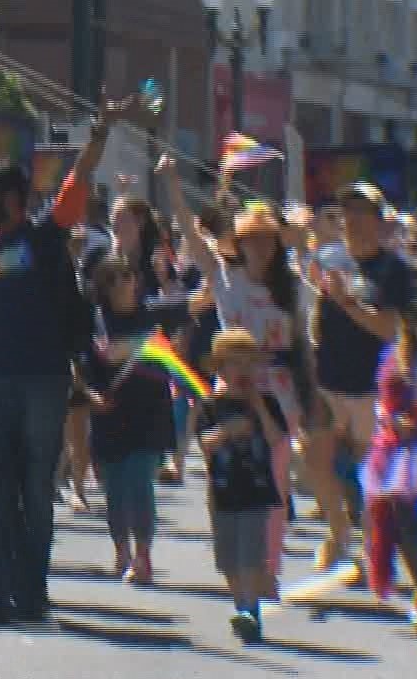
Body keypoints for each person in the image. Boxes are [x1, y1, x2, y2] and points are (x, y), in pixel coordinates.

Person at [0, 96, 130, 623]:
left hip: (42, 381)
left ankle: (31, 588)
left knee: (35, 487)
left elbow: (78, 180)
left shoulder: (46, 234)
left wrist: (100, 131)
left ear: (12, 198)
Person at [163, 161, 303, 585]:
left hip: (277, 398)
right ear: (240, 243)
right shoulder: (226, 279)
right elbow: (192, 236)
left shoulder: (292, 285)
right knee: (227, 483)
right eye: (251, 239)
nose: (259, 247)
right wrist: (171, 183)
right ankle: (236, 562)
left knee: (273, 488)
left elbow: (304, 347)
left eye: (267, 239)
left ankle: (267, 570)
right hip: (230, 398)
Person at [303, 183, 410, 573]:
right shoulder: (330, 258)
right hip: (328, 378)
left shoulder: (393, 269)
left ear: (379, 221)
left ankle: (369, 552)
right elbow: (316, 314)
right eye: (347, 211)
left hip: (371, 385)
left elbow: (389, 329)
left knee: (369, 475)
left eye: (361, 212)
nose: (352, 220)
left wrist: (348, 303)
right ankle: (338, 533)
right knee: (313, 458)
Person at [84, 257, 182, 587]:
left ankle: (143, 556)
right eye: (113, 279)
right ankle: (121, 551)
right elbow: (83, 367)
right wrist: (91, 395)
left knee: (140, 483)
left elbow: (200, 301)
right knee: (114, 490)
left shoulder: (154, 314)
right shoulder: (96, 321)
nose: (123, 284)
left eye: (127, 276)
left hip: (150, 413)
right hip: (109, 414)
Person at [196, 329, 289, 644]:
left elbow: (276, 438)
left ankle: (250, 609)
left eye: (249, 364)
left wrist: (258, 407)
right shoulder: (211, 406)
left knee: (250, 553)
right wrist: (226, 431)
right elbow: (204, 443)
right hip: (222, 491)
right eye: (234, 364)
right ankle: (242, 606)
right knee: (228, 558)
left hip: (256, 490)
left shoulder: (268, 404)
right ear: (220, 369)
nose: (242, 371)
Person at [359, 301, 417, 631]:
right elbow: (385, 405)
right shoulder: (397, 358)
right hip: (407, 452)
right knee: (403, 523)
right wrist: (394, 419)